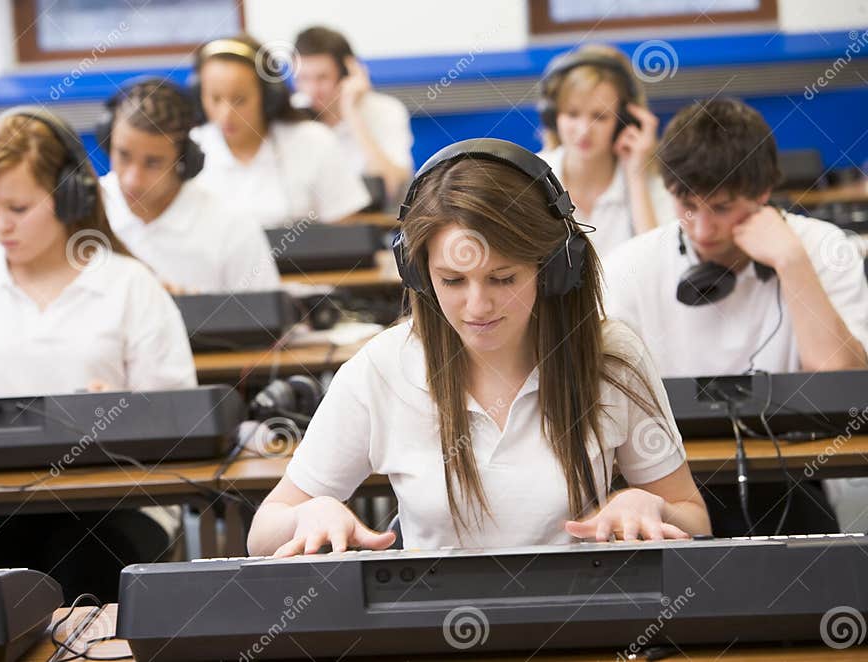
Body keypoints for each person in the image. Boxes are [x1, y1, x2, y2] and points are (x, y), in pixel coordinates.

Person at [246, 139, 710, 556]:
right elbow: (262, 533)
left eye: (503, 278)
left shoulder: (611, 358)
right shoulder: (381, 369)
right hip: (430, 617)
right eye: (452, 280)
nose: (477, 306)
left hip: (583, 612)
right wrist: (308, 514)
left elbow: (695, 520)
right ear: (419, 273)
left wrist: (648, 504)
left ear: (553, 269)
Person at [0, 106, 196, 600]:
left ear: (69, 196)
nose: (1, 225)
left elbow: (183, 421)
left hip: (117, 499)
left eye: (19, 208)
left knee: (89, 566)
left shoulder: (130, 285)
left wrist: (128, 411)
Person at [602, 98, 868, 535]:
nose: (702, 229)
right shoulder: (629, 265)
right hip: (664, 479)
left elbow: (838, 383)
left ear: (762, 194)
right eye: (686, 203)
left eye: (722, 207)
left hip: (791, 476)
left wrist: (792, 264)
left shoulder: (821, 248)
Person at [98, 76, 280, 294]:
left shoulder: (233, 229)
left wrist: (196, 308)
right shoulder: (86, 211)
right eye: (123, 156)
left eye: (152, 163)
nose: (132, 180)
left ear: (185, 161)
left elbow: (264, 313)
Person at [189, 34, 370, 229]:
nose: (226, 115)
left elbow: (347, 233)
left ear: (268, 96)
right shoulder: (189, 147)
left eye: (240, 100)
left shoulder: (313, 141)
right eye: (215, 99)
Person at [537, 44, 675, 257]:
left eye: (600, 117)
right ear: (552, 116)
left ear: (624, 121)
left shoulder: (654, 186)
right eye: (572, 114)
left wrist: (636, 177)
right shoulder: (530, 180)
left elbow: (659, 265)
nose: (584, 131)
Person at [293, 26, 414, 201]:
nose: (312, 90)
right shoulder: (291, 113)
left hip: (372, 216)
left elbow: (391, 187)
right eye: (303, 78)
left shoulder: (386, 110)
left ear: (346, 74)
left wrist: (352, 113)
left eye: (322, 78)